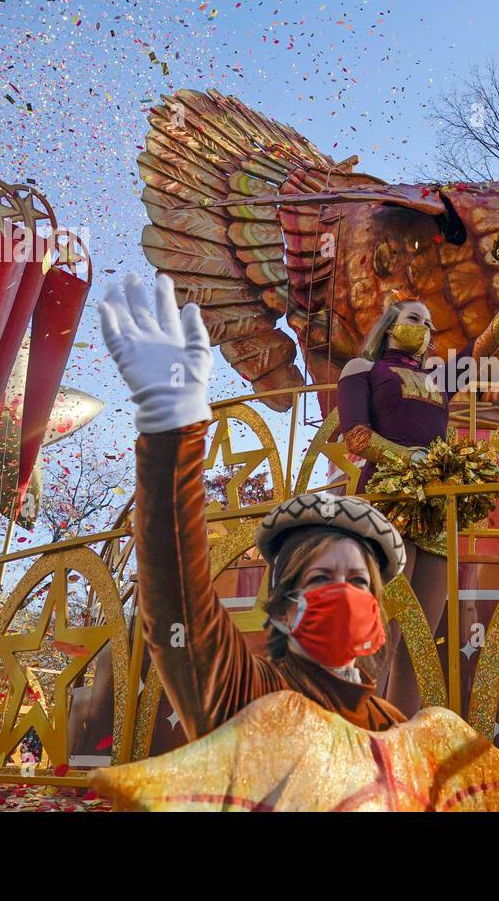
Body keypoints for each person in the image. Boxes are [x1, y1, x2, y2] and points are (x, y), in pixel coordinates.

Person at [98, 274, 408, 737]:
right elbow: (177, 595)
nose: (343, 594)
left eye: (358, 581)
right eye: (320, 578)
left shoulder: (394, 729)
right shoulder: (245, 694)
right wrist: (170, 428)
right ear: (282, 608)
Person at [336, 288, 499, 715]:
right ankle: (360, 740)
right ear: (390, 326)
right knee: (381, 630)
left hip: (437, 507)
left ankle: (401, 742)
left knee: (421, 640)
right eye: (414, 319)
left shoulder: (439, 378)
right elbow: (356, 436)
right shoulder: (362, 368)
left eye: (429, 324)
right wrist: (414, 461)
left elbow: (486, 345)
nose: (424, 329)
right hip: (386, 498)